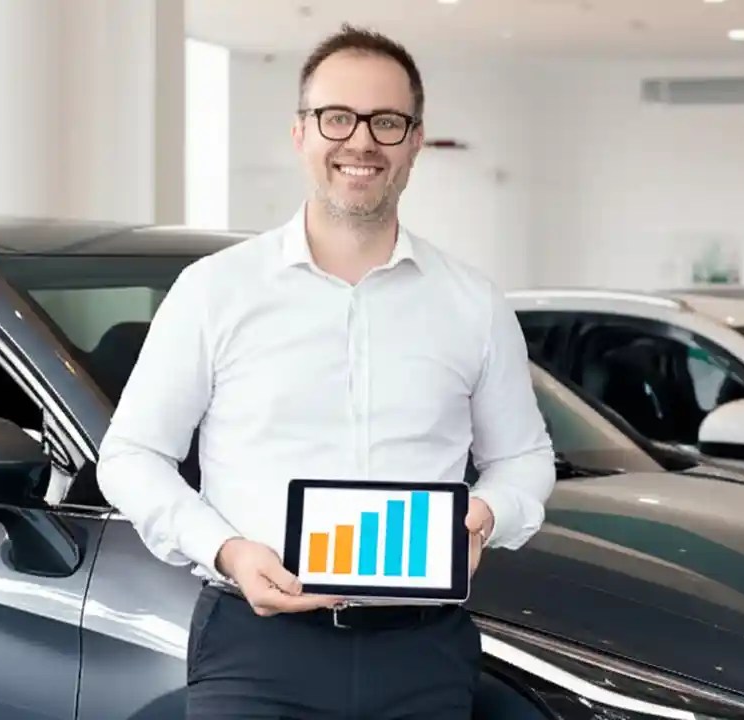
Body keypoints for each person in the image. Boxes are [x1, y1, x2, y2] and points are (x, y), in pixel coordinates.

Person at [96, 23, 555, 719]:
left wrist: (486, 513)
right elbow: (130, 456)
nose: (361, 141)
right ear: (301, 134)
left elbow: (524, 459)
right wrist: (225, 550)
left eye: (387, 121)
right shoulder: (216, 290)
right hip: (258, 649)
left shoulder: (472, 303)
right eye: (337, 117)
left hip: (422, 652)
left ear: (415, 142)